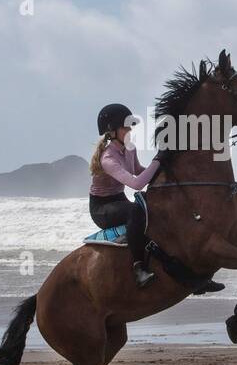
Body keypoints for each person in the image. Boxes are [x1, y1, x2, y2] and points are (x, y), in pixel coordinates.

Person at [89, 103, 225, 294]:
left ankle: (191, 275)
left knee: (155, 209)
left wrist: (165, 170)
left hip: (119, 200)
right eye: (125, 127)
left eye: (131, 127)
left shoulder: (130, 149)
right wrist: (158, 160)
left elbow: (139, 171)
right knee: (137, 209)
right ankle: (139, 268)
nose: (130, 131)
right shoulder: (107, 160)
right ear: (111, 131)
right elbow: (136, 184)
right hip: (102, 208)